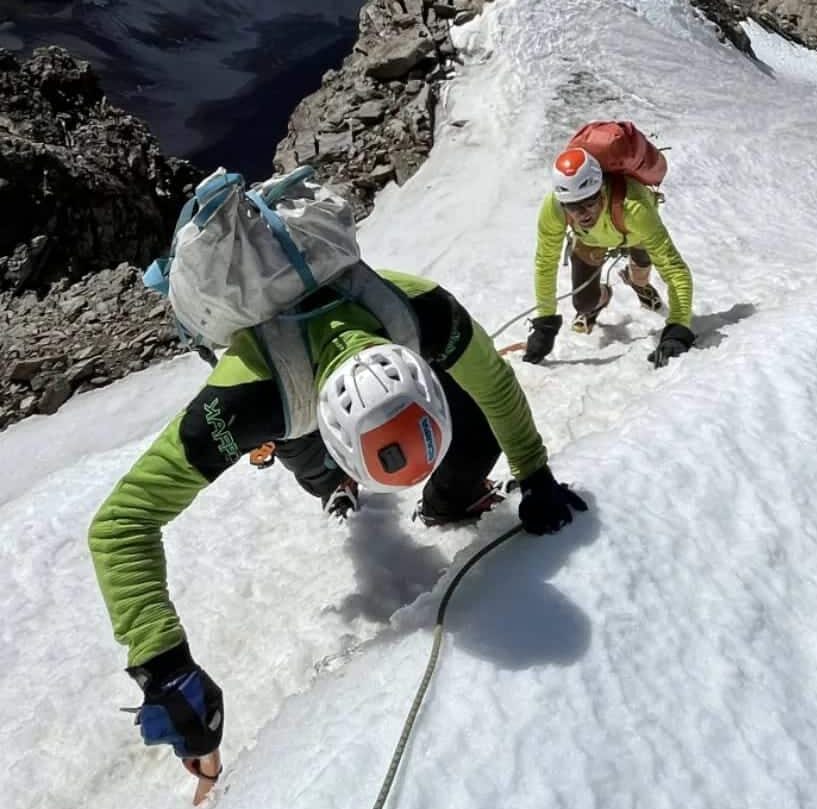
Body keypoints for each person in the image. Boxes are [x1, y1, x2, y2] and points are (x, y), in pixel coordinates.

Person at [88, 267, 587, 766]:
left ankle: (445, 498)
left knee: (476, 430)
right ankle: (335, 482)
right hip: (282, 384)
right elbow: (121, 524)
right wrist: (162, 662)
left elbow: (493, 382)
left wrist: (536, 472)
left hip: (352, 354)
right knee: (308, 458)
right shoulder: (243, 399)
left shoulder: (422, 311)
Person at [524, 147, 696, 366]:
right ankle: (604, 296)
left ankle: (637, 282)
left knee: (640, 278)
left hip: (635, 235)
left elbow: (673, 268)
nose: (583, 214)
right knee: (584, 304)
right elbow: (545, 263)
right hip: (590, 241)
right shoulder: (555, 208)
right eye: (573, 208)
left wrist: (678, 328)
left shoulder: (634, 208)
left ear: (602, 192)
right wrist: (545, 323)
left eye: (589, 203)